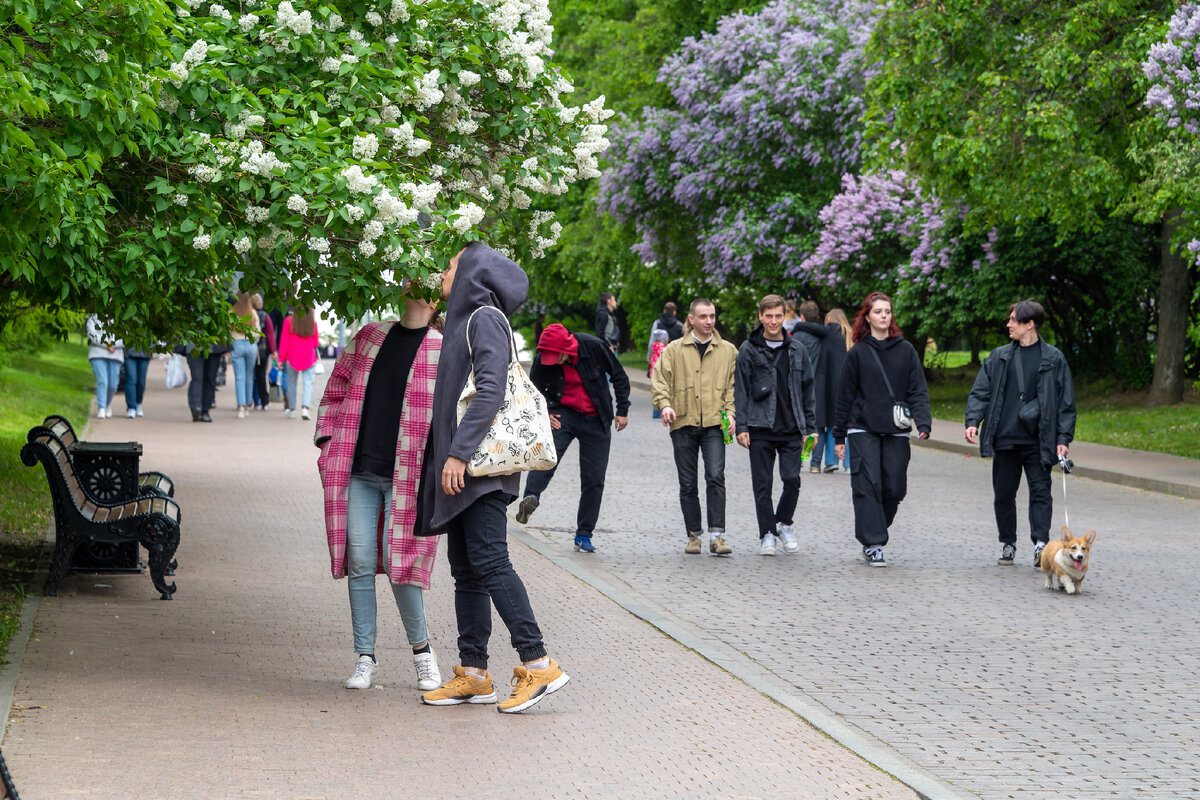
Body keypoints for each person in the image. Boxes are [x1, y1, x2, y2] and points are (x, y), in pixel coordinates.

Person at [419, 242, 570, 714]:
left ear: (471, 274)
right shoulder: (463, 322)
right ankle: (475, 673)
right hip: (466, 471)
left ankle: (538, 662)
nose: (442, 274)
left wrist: (458, 455)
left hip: (480, 469)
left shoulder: (484, 317)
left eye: (449, 266)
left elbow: (490, 392)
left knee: (490, 561)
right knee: (466, 570)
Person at [314, 287, 445, 692]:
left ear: (436, 301)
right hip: (359, 471)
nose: (413, 287)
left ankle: (423, 654)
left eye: (424, 283)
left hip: (407, 477)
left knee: (400, 562)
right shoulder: (370, 336)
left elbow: (458, 411)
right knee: (360, 562)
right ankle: (365, 657)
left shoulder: (444, 348)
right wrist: (328, 439)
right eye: (408, 280)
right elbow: (335, 388)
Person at [965, 299, 1076, 568]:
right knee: (1004, 493)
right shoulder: (999, 356)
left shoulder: (1053, 359)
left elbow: (1066, 402)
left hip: (1039, 440)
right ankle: (1008, 543)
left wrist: (1063, 439)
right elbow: (981, 391)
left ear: (1030, 324)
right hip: (1005, 439)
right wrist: (973, 420)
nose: (1008, 324)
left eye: (1014, 320)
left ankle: (1040, 545)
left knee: (1041, 492)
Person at [833, 292, 931, 567]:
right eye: (878, 311)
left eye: (887, 311)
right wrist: (839, 435)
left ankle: (876, 528)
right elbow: (844, 396)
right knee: (868, 484)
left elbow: (917, 390)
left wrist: (923, 422)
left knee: (894, 487)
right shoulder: (858, 353)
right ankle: (874, 542)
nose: (884, 316)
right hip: (861, 429)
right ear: (867, 316)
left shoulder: (906, 350)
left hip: (896, 430)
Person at [515, 323, 631, 553]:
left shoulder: (594, 347)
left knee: (594, 479)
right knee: (546, 457)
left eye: (553, 356)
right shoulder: (543, 359)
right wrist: (545, 413)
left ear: (565, 350)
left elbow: (619, 376)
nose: (548, 360)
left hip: (596, 417)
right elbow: (532, 391)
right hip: (563, 414)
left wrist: (622, 410)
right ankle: (531, 497)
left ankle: (584, 534)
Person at [650, 298, 738, 556]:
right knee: (688, 482)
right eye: (703, 317)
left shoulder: (729, 351)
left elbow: (734, 388)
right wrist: (664, 405)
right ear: (691, 319)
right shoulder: (674, 350)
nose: (709, 321)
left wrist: (731, 414)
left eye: (712, 316)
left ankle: (717, 536)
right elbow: (659, 380)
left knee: (715, 476)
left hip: (715, 422)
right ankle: (694, 535)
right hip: (683, 420)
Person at [734, 295, 817, 556]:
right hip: (760, 428)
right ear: (760, 316)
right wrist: (742, 426)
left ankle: (783, 523)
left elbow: (807, 390)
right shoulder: (749, 349)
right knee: (762, 485)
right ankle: (767, 534)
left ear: (784, 317)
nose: (773, 321)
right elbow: (741, 390)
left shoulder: (797, 349)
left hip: (792, 428)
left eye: (778, 316)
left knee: (792, 480)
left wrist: (810, 427)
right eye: (768, 316)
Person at [791, 307, 853, 473]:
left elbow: (812, 328)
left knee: (816, 425)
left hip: (823, 384)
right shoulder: (850, 335)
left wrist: (797, 325)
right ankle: (843, 463)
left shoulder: (829, 332)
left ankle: (810, 461)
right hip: (845, 385)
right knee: (836, 425)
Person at [789, 301, 823, 469]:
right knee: (814, 424)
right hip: (817, 383)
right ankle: (812, 460)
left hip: (797, 384)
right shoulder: (821, 337)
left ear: (801, 316)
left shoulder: (795, 337)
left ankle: (800, 458)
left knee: (798, 422)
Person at [279, 308, 320, 420]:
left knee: (291, 383)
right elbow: (316, 343)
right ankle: (305, 409)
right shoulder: (313, 323)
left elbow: (284, 341)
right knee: (308, 383)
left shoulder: (289, 321)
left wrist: (281, 358)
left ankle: (292, 410)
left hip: (293, 356)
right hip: (309, 356)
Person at [230, 293, 262, 419]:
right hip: (251, 344)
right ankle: (248, 404)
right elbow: (258, 331)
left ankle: (241, 406)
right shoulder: (253, 312)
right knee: (249, 376)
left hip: (236, 344)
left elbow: (227, 330)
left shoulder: (231, 311)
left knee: (239, 377)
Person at [86, 315, 124, 419]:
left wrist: (112, 344)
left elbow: (127, 337)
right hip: (97, 354)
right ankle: (101, 407)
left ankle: (107, 404)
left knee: (113, 384)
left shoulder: (121, 317)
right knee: (102, 381)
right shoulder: (94, 317)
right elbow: (91, 333)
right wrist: (106, 344)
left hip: (115, 355)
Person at [250, 294, 277, 410]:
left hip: (250, 347)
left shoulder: (248, 314)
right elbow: (270, 335)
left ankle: (253, 400)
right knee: (261, 376)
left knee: (251, 376)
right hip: (262, 350)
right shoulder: (265, 316)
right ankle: (264, 401)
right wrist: (273, 350)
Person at [646, 301, 684, 367]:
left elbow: (652, 341)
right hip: (674, 359)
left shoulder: (657, 323)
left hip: (659, 357)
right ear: (674, 312)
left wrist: (649, 356)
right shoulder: (680, 326)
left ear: (664, 310)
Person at [123, 343, 151, 418]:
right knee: (131, 379)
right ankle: (131, 407)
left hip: (145, 352)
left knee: (141, 381)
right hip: (129, 353)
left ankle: (138, 403)